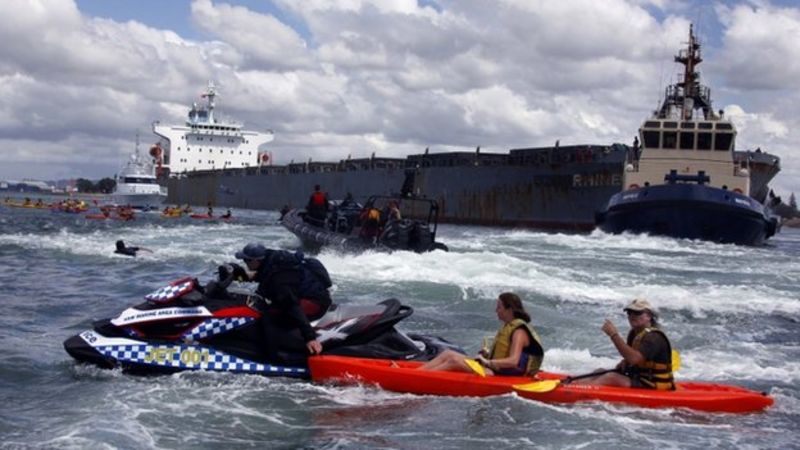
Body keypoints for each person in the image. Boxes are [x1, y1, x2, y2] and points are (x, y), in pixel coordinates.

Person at [228, 243, 333, 362]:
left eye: (246, 260)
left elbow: (292, 306)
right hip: (300, 296)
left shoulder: (279, 279)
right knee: (268, 309)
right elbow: (258, 277)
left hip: (314, 302)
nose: (245, 263)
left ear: (256, 260)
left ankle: (273, 358)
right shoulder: (271, 261)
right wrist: (237, 276)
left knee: (269, 318)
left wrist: (310, 338)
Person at [419, 292, 544, 375]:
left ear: (509, 310)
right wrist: (487, 355)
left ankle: (421, 379)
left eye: (499, 307)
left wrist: (487, 362)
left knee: (454, 361)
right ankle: (417, 373)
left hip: (497, 374)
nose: (496, 311)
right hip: (494, 369)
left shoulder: (519, 332)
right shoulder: (508, 326)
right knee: (448, 353)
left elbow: (513, 361)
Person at [573, 298, 675, 390]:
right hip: (640, 378)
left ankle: (576, 390)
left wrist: (613, 335)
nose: (632, 316)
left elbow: (634, 359)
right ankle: (573, 384)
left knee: (611, 377)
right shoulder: (634, 333)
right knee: (599, 371)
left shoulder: (654, 337)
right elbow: (632, 359)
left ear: (649, 316)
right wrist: (625, 363)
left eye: (637, 313)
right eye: (629, 313)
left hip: (653, 384)